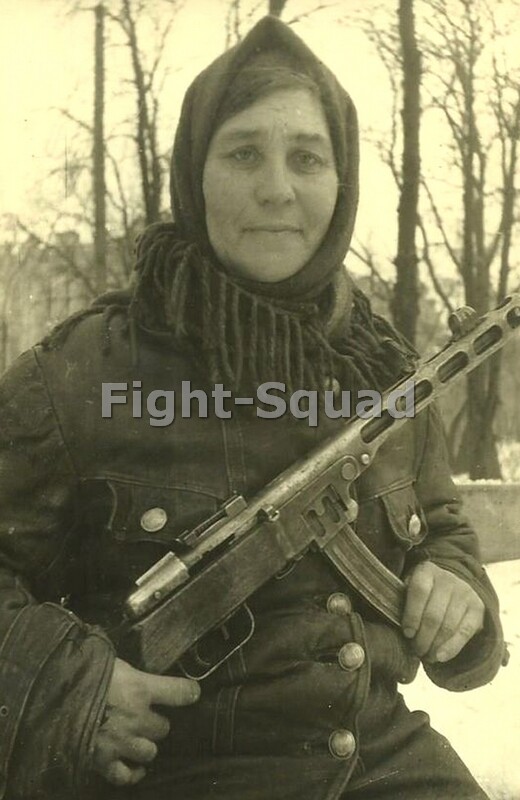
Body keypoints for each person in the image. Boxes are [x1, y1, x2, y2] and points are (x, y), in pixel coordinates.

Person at [0, 16, 507, 800]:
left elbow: (442, 532)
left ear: (342, 185)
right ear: (193, 175)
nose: (277, 186)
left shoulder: (388, 374)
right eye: (243, 153)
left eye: (307, 157)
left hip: (385, 762)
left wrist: (456, 588)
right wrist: (71, 691)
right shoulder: (82, 374)